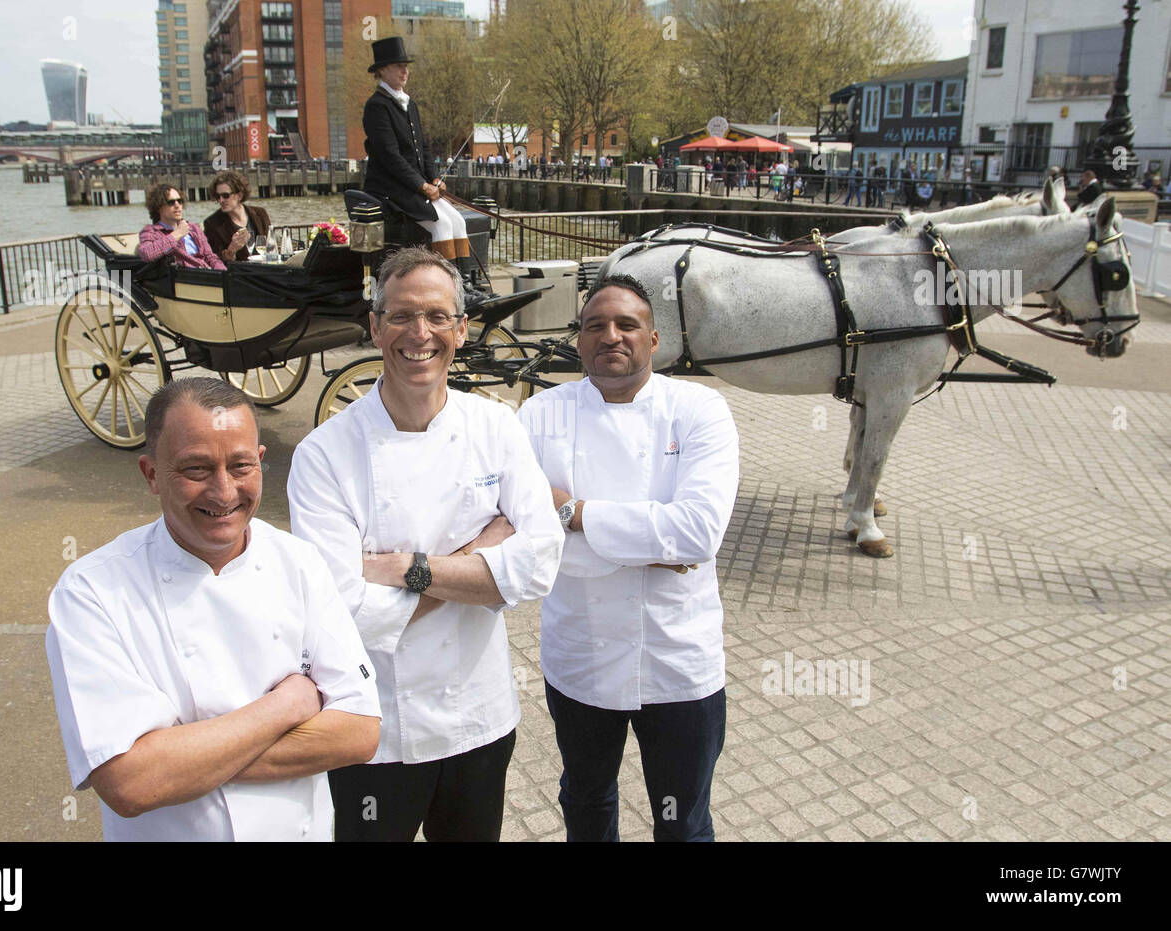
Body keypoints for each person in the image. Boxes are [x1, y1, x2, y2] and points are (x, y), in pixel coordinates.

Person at [287, 246, 563, 842]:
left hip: (479, 720)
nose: (421, 334)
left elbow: (540, 563)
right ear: (374, 326)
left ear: (462, 329)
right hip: (375, 730)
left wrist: (406, 569)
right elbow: (343, 617)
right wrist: (483, 557)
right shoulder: (324, 457)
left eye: (438, 317)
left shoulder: (496, 427)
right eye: (402, 316)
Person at [46, 378, 382, 841]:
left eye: (240, 466)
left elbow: (360, 733)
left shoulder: (299, 563)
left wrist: (179, 763)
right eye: (196, 469)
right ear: (150, 475)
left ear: (260, 463)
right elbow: (130, 783)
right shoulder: (92, 591)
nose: (224, 493)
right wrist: (286, 705)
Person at [517, 274, 740, 842]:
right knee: (586, 799)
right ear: (578, 340)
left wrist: (573, 514)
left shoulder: (699, 410)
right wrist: (650, 538)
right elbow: (519, 527)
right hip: (581, 655)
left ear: (654, 339)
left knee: (683, 815)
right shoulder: (541, 416)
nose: (610, 336)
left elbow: (697, 534)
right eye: (594, 325)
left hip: (677, 658)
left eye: (626, 325)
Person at [361, 37, 474, 284]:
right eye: (398, 66)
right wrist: (422, 186)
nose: (404, 71)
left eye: (406, 66)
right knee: (441, 224)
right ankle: (446, 288)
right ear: (382, 71)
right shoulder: (377, 106)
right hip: (391, 189)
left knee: (457, 220)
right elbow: (390, 157)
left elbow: (423, 147)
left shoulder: (410, 103)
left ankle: (464, 284)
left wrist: (434, 177)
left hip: (416, 185)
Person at [137, 182, 225, 270]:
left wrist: (224, 274)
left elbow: (210, 257)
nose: (177, 205)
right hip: (181, 278)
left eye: (179, 201)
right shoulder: (151, 231)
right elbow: (146, 254)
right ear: (158, 206)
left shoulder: (193, 228)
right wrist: (177, 234)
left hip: (207, 275)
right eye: (171, 202)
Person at [204, 170, 271, 264]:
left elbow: (270, 245)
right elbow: (213, 260)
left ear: (239, 195)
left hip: (266, 268)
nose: (221, 200)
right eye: (217, 196)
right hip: (238, 274)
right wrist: (231, 251)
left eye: (225, 195)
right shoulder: (212, 223)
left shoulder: (260, 214)